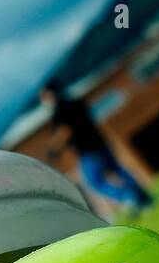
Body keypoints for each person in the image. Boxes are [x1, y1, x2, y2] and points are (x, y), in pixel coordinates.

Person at [39, 78, 151, 210]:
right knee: (118, 170)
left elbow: (65, 131)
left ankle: (128, 196)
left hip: (88, 152)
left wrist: (53, 148)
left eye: (43, 96)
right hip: (101, 144)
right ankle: (142, 196)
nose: (43, 100)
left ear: (50, 94)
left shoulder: (59, 111)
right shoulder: (77, 103)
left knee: (95, 182)